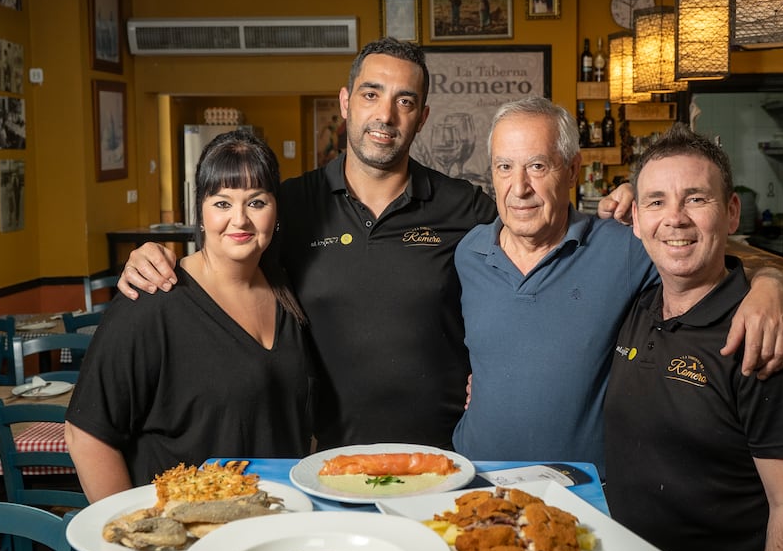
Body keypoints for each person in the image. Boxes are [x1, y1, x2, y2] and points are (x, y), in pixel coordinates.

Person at [119, 38, 498, 450]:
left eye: (404, 101)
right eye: (371, 94)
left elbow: (527, 273)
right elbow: (228, 264)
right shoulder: (292, 204)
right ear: (346, 102)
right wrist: (157, 258)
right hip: (321, 456)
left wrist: (499, 369)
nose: (385, 114)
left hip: (443, 452)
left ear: (421, 117)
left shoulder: (464, 207)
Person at [453, 99, 783, 473]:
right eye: (504, 167)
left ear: (572, 171)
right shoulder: (469, 252)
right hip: (475, 474)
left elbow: (708, 260)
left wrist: (771, 284)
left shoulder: (624, 248)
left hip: (583, 490)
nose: (519, 187)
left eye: (537, 166)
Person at [605, 123, 783, 551]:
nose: (674, 219)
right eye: (656, 201)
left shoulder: (762, 340)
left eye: (695, 198)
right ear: (636, 219)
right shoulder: (640, 307)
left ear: (730, 213)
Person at [65, 131, 313, 501]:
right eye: (222, 203)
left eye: (256, 202)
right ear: (199, 211)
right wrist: (131, 535)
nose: (240, 220)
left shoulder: (288, 290)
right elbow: (85, 436)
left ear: (276, 211)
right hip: (185, 539)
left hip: (271, 527)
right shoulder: (152, 298)